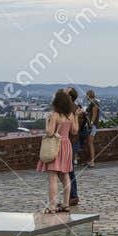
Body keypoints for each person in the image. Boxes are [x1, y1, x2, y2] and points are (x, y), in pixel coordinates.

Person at [37, 88, 77, 217]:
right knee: (65, 176)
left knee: (53, 177)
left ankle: (52, 206)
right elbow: (74, 131)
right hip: (67, 145)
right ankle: (65, 204)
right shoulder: (71, 115)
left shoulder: (54, 115)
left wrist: (48, 121)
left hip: (56, 146)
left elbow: (49, 133)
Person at [84, 89, 100, 167]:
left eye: (86, 95)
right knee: (89, 143)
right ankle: (90, 160)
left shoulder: (94, 103)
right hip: (92, 125)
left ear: (88, 95)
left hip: (92, 126)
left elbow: (94, 114)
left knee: (90, 143)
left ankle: (92, 161)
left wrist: (91, 124)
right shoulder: (93, 103)